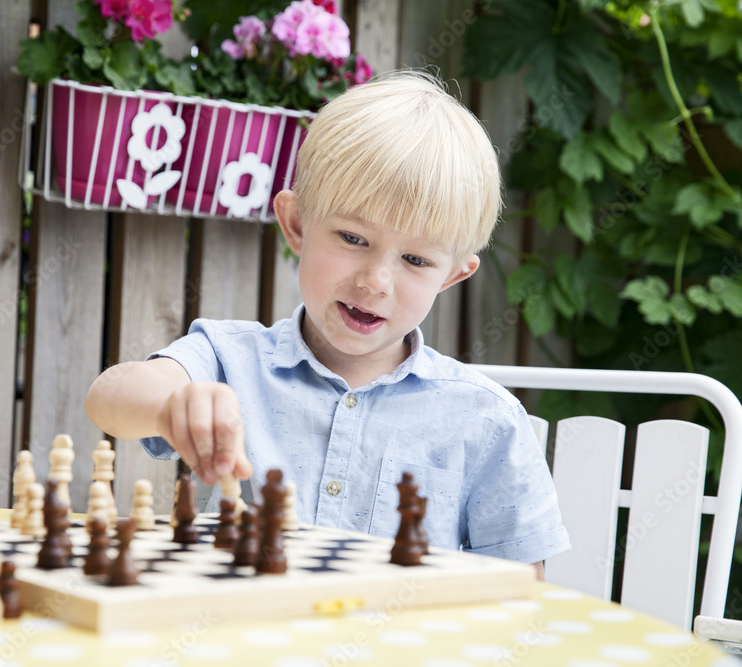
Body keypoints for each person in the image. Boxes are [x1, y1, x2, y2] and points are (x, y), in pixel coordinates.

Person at [85, 70, 570, 577]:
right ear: (296, 225)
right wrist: (170, 406)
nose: (376, 280)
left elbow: (522, 590)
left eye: (416, 260)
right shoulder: (230, 359)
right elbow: (108, 398)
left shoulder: (487, 420)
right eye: (353, 238)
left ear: (452, 276)